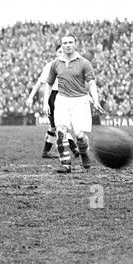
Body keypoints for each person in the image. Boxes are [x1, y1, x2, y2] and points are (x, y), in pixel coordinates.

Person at [47, 35, 101, 173]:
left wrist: (95, 99)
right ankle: (66, 164)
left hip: (80, 101)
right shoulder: (56, 63)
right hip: (62, 100)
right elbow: (49, 84)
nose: (68, 45)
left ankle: (83, 153)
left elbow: (91, 83)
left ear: (75, 44)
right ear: (61, 45)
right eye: (65, 43)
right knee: (60, 132)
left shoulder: (84, 63)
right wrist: (46, 102)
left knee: (79, 135)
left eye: (71, 42)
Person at [27, 44, 77, 160]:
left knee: (55, 127)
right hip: (53, 97)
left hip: (65, 97)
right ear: (56, 53)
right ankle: (74, 149)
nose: (61, 53)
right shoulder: (50, 66)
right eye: (59, 51)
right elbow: (40, 83)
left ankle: (46, 151)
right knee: (60, 126)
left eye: (62, 51)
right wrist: (31, 97)